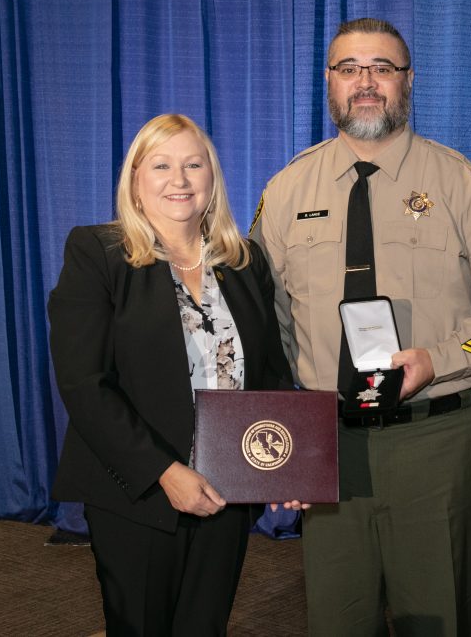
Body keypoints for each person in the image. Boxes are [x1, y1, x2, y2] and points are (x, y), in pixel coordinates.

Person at [250, 18, 471, 635]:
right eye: (349, 68)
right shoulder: (283, 191)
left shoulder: (461, 183)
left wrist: (440, 358)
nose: (366, 82)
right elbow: (264, 325)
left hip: (435, 439)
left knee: (438, 616)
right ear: (327, 82)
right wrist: (279, 443)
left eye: (383, 68)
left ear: (409, 82)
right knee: (337, 618)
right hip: (326, 440)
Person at [48, 113, 293, 635]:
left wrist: (282, 465)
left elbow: (269, 371)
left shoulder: (245, 261)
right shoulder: (98, 254)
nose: (179, 180)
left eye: (192, 165)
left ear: (212, 179)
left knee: (205, 626)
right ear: (136, 182)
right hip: (138, 491)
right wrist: (165, 472)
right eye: (161, 165)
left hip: (228, 486)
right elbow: (84, 384)